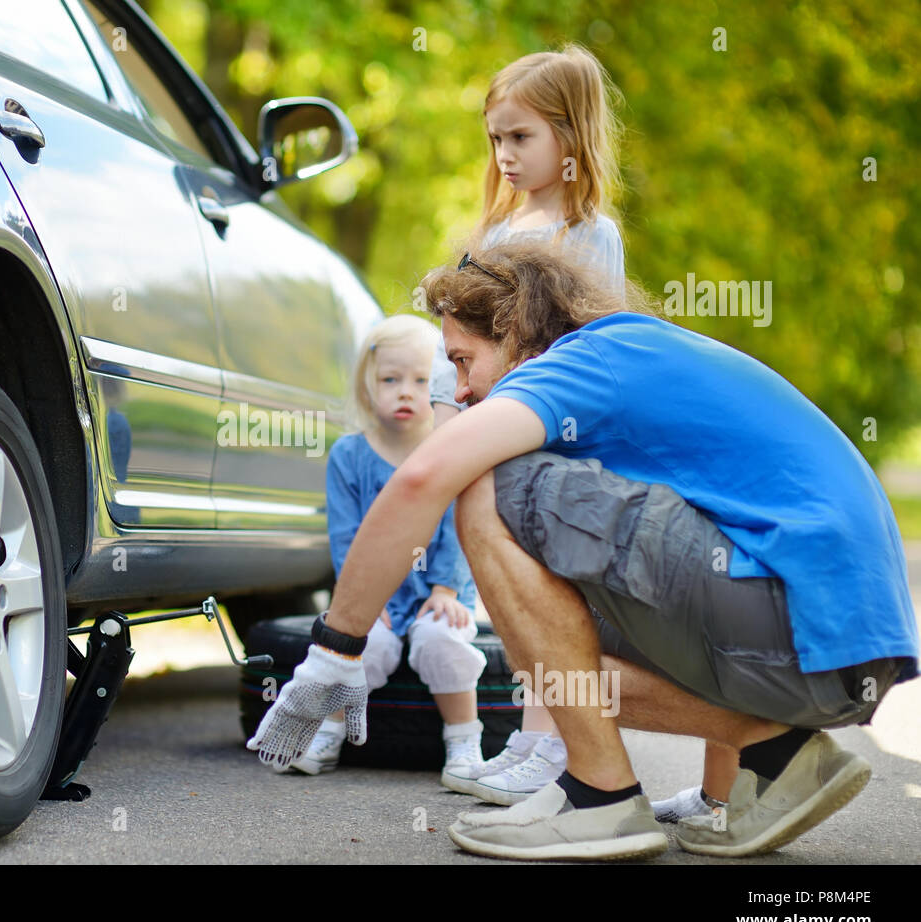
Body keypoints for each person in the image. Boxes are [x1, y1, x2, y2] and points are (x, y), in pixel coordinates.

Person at [249, 241, 919, 861]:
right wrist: (720, 801)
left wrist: (335, 650)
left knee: (483, 481)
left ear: (513, 328)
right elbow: (714, 526)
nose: (457, 392)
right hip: (827, 642)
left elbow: (425, 474)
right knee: (543, 627)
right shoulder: (632, 364)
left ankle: (601, 794)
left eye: (460, 360)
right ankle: (765, 765)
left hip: (802, 618)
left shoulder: (587, 357)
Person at [427, 44, 631, 807]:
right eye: (496, 139)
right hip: (493, 425)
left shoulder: (589, 231)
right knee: (509, 588)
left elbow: (588, 336)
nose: (505, 154)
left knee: (551, 586)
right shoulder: (496, 229)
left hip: (554, 432)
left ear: (571, 138)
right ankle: (528, 734)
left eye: (522, 137)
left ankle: (554, 741)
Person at [259, 314, 487, 790]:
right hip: (374, 593)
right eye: (391, 379)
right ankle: (328, 732)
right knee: (361, 646)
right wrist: (365, 601)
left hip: (437, 588)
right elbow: (347, 537)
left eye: (422, 381)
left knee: (442, 642)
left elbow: (456, 526)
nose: (406, 391)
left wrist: (447, 589)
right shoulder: (349, 455)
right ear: (368, 385)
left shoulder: (445, 448)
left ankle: (464, 741)